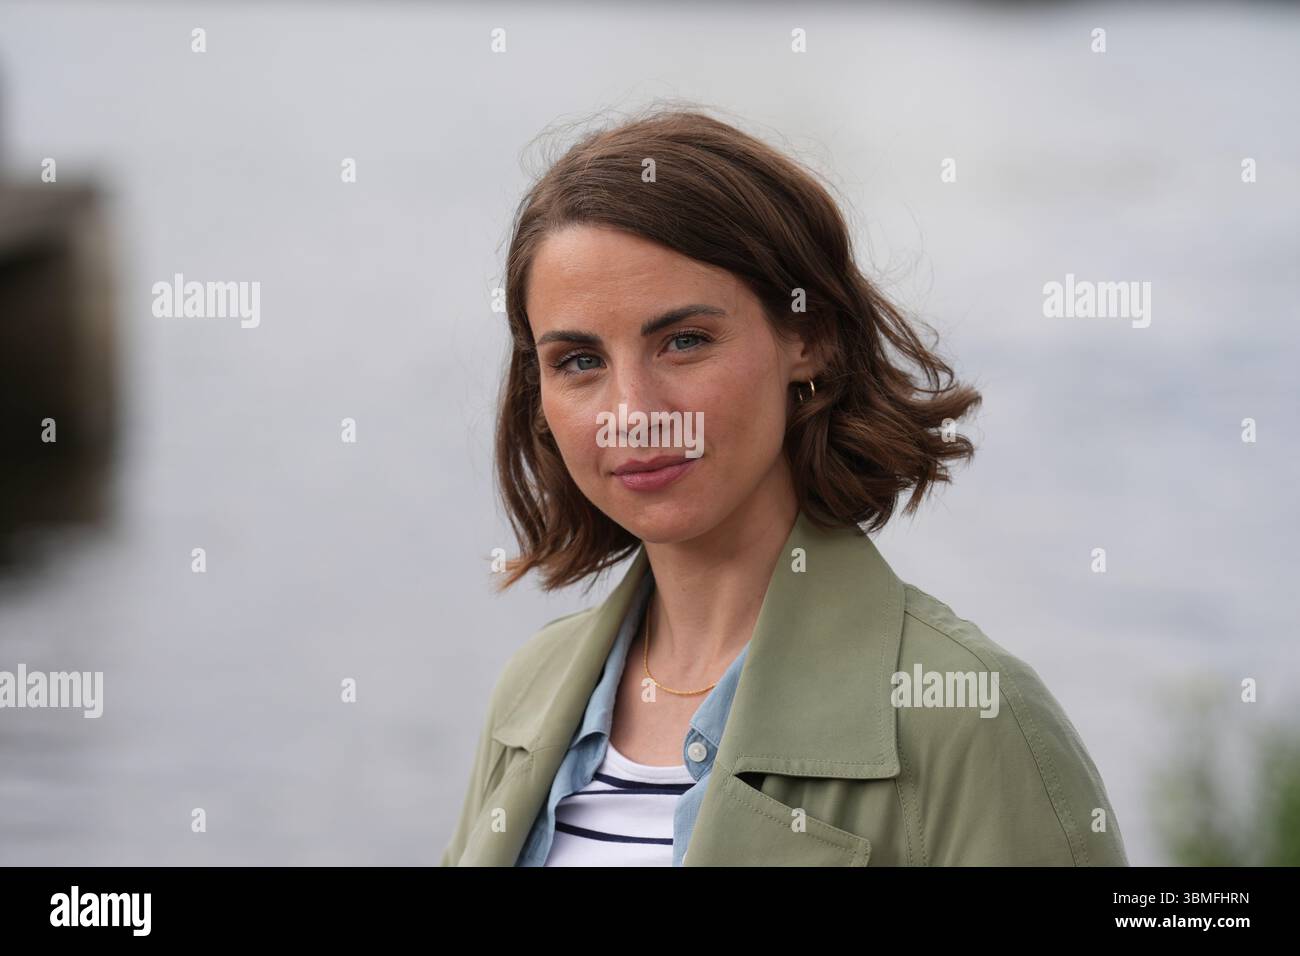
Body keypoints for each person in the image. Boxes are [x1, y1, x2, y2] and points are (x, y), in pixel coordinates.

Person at [440, 107, 1128, 866]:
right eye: (578, 361)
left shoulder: (973, 718)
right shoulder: (531, 692)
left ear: (809, 337)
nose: (633, 416)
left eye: (685, 342)